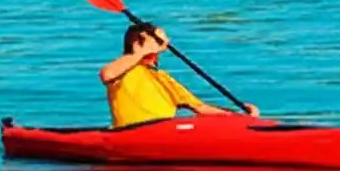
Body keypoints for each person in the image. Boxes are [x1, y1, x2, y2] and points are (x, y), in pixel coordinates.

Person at [99, 22, 259, 129]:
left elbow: (200, 108)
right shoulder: (123, 71)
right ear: (137, 44)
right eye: (155, 41)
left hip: (163, 130)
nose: (161, 45)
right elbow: (107, 74)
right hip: (133, 131)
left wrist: (241, 117)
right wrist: (142, 51)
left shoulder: (162, 77)